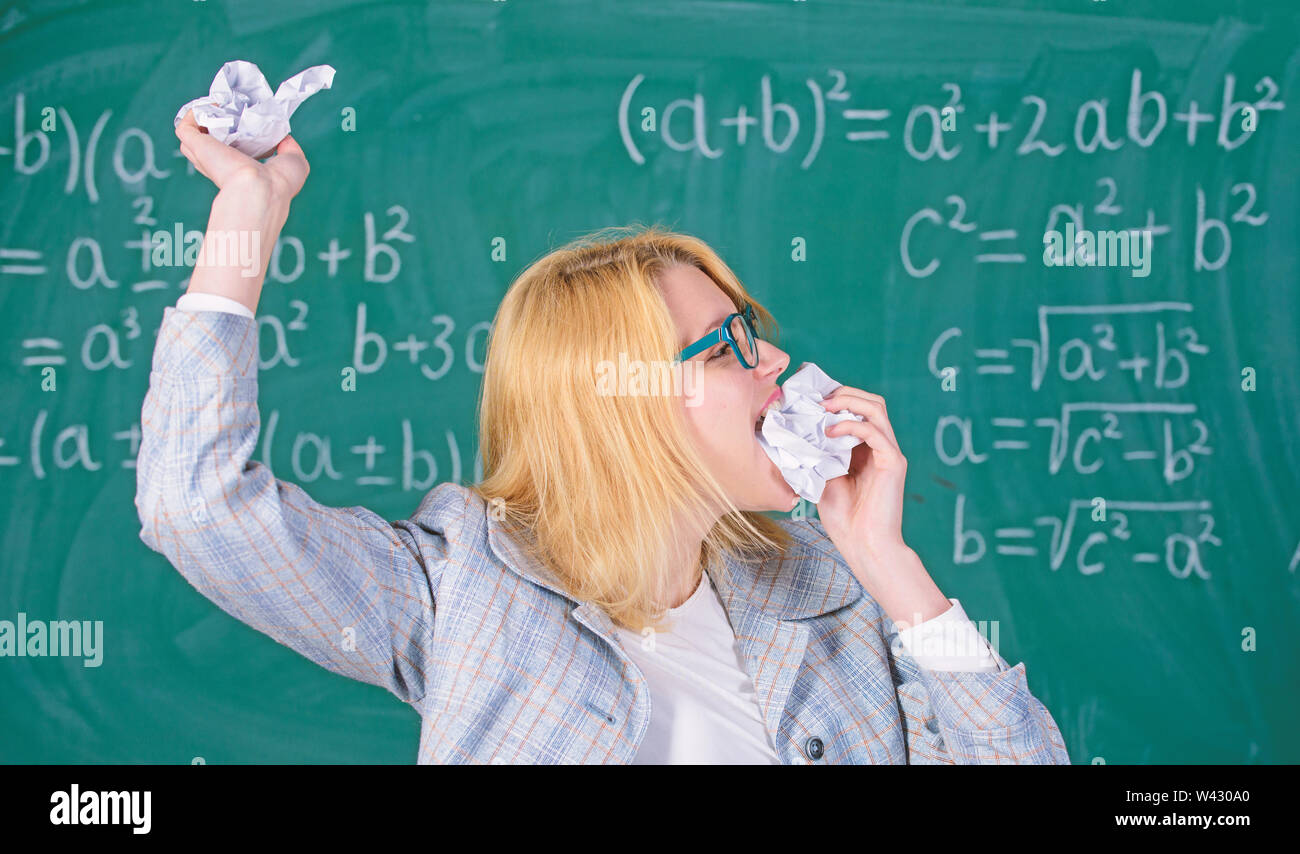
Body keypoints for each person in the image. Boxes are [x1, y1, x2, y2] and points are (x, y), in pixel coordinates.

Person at [134, 112, 1071, 764]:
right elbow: (196, 507)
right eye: (729, 344)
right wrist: (246, 213)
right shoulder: (460, 589)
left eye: (757, 329)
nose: (777, 362)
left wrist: (892, 568)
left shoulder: (829, 594)